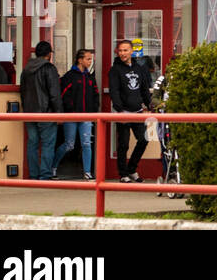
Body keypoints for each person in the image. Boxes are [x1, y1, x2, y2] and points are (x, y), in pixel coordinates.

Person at [109, 39, 152, 182]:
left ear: (132, 51)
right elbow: (114, 91)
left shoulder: (139, 68)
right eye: (120, 50)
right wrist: (119, 109)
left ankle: (132, 169)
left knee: (144, 140)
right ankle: (123, 174)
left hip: (138, 111)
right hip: (123, 112)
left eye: (125, 50)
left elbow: (144, 89)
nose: (122, 53)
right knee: (124, 144)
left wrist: (150, 105)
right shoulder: (115, 70)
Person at [19, 40, 62, 180]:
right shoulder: (49, 68)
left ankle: (33, 174)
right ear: (49, 54)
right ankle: (45, 175)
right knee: (48, 145)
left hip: (30, 112)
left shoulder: (26, 69)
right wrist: (59, 114)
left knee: (32, 144)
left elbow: (22, 92)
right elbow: (55, 94)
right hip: (46, 113)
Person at [54, 48, 99, 179]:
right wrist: (70, 110)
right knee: (69, 144)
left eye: (91, 59)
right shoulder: (69, 76)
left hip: (87, 116)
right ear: (80, 60)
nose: (90, 62)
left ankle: (87, 172)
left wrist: (94, 111)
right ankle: (54, 166)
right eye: (88, 59)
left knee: (86, 144)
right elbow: (64, 96)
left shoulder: (90, 78)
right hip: (72, 116)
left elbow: (96, 95)